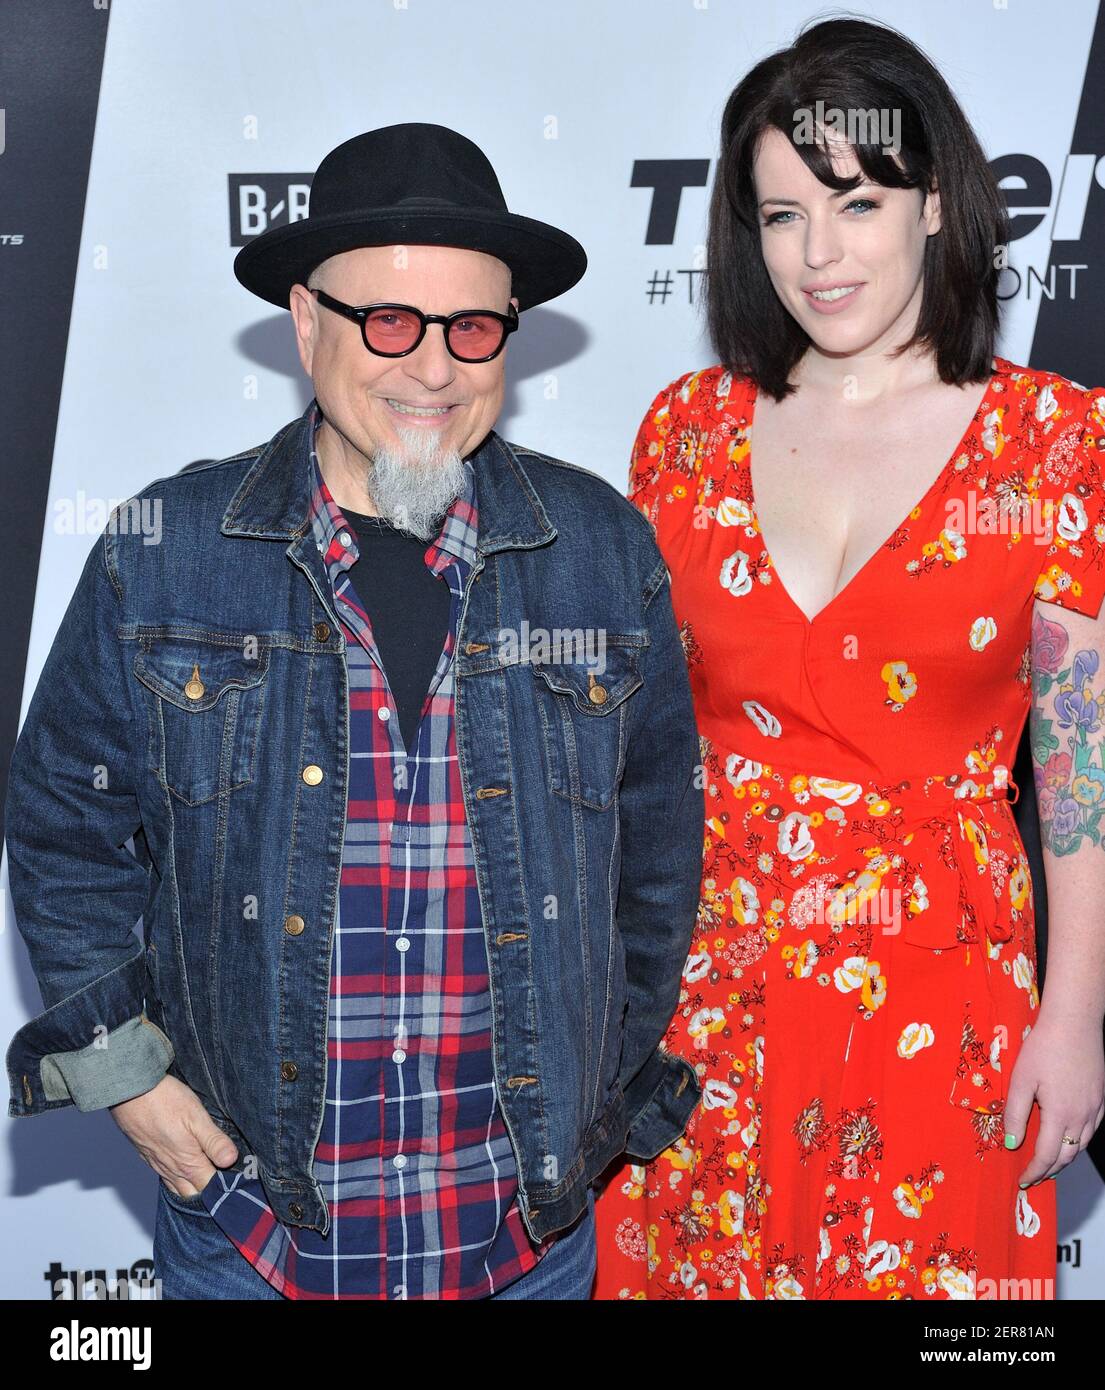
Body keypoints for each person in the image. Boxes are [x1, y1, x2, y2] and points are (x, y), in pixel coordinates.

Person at [5, 123, 704, 1300]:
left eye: (471, 328)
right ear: (306, 320)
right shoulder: (167, 555)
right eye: (389, 321)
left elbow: (655, 859)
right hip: (254, 1243)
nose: (431, 368)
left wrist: (591, 1096)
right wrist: (131, 1082)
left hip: (521, 1245)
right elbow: (65, 829)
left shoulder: (598, 551)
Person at [592, 17, 1105, 1300]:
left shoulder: (1052, 442)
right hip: (697, 996)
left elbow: (1080, 763)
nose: (817, 256)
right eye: (779, 215)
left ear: (937, 203)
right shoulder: (686, 435)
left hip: (941, 995)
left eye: (857, 204)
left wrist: (1073, 1017)